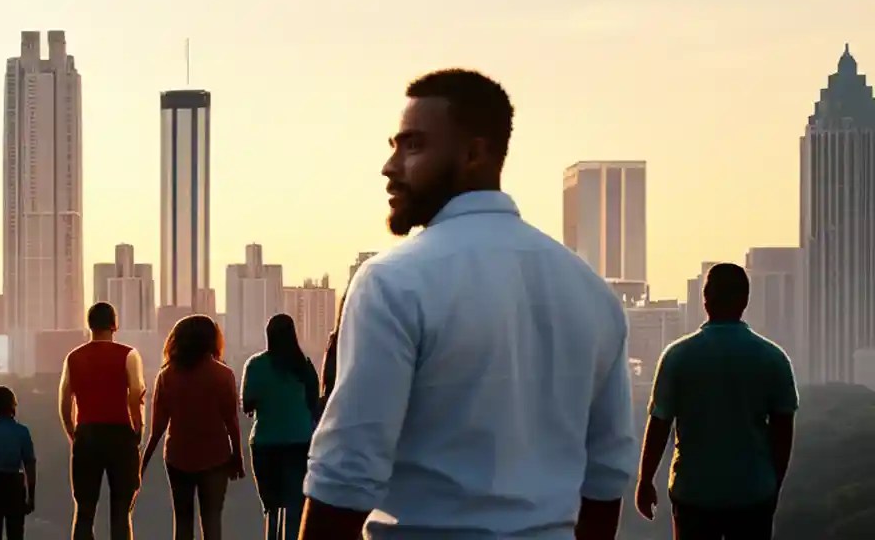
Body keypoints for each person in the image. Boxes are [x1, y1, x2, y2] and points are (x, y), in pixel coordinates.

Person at [301, 70, 636, 540]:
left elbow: (346, 474)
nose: (390, 166)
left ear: (474, 154)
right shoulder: (592, 293)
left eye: (413, 146)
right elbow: (605, 479)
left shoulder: (392, 283)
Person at [636, 263, 798, 540]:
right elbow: (783, 432)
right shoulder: (773, 358)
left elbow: (660, 424)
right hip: (753, 492)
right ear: (745, 300)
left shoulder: (677, 356)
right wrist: (773, 483)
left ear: (705, 298)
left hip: (693, 492)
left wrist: (645, 480)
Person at [142, 315, 244, 540]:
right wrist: (238, 457)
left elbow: (157, 429)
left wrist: (142, 465)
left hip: (178, 458)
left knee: (183, 522)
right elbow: (232, 422)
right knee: (212, 522)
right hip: (216, 458)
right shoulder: (224, 375)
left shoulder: (166, 376)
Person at [59, 301, 147, 540]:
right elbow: (136, 394)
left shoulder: (74, 357)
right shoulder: (129, 355)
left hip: (86, 434)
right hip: (120, 434)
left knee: (84, 509)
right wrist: (138, 429)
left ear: (90, 325)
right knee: (121, 510)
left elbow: (65, 401)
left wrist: (73, 433)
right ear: (114, 325)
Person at [242, 314, 319, 540]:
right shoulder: (303, 367)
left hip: (266, 444)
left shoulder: (256, 365)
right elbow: (314, 403)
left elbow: (247, 403)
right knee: (296, 506)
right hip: (300, 442)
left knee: (272, 508)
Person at [0, 385, 37, 540]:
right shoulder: (21, 431)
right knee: (16, 533)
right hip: (14, 484)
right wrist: (31, 495)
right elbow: (30, 464)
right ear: (12, 405)